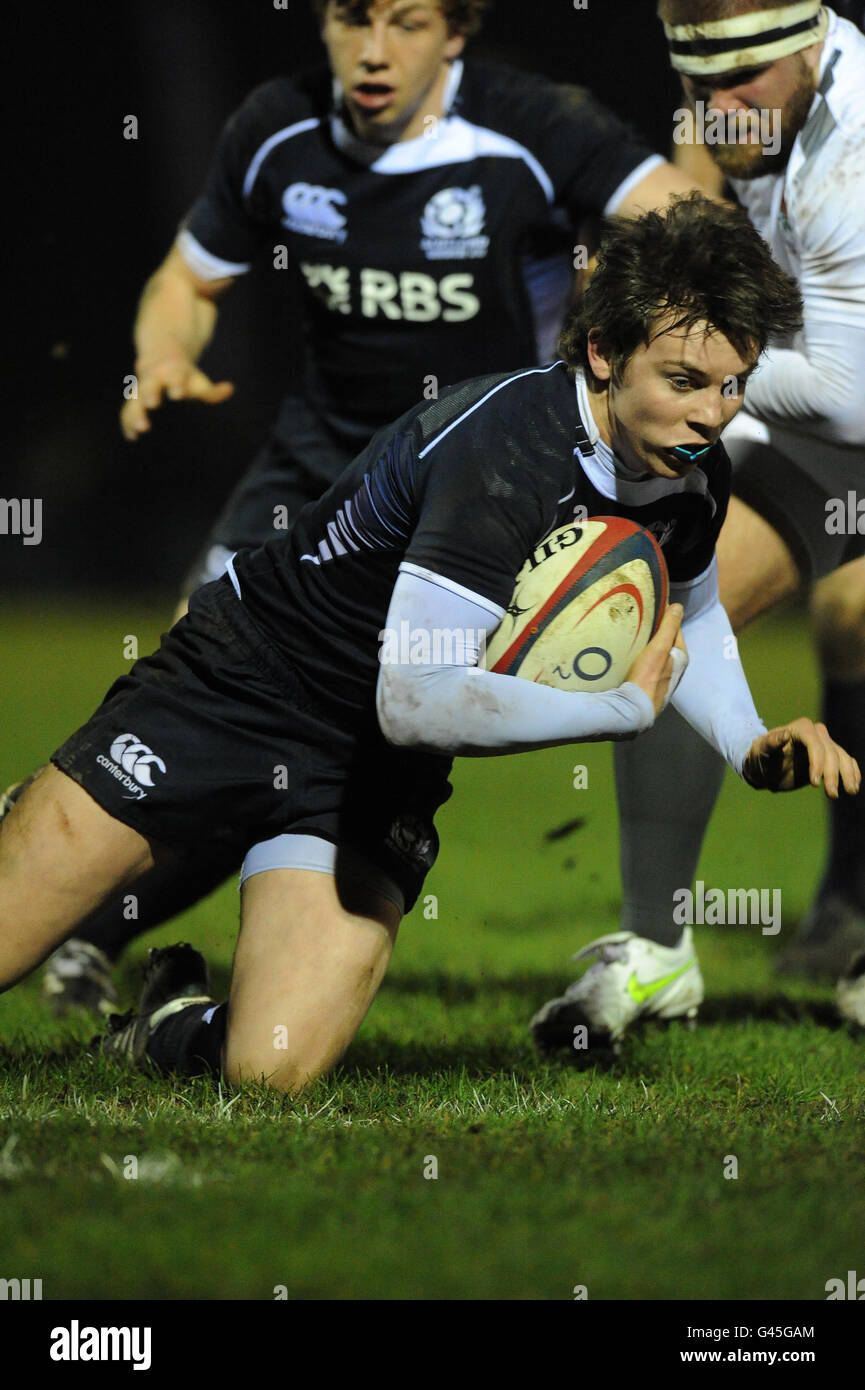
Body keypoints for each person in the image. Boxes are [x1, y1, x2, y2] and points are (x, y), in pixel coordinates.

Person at [0, 198, 854, 1091]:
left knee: (270, 1070)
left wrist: (750, 741)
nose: (713, 414)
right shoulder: (506, 453)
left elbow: (693, 613)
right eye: (683, 381)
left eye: (732, 385)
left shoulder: (692, 475)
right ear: (603, 353)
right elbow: (416, 699)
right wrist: (617, 711)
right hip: (241, 683)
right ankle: (52, 815)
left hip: (373, 766)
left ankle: (168, 1025)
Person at [31, 0, 703, 1016]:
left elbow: (685, 229)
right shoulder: (277, 128)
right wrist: (163, 352)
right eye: (352, 18)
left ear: (457, 33)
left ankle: (179, 950)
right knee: (191, 692)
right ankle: (87, 915)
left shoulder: (534, 126)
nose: (374, 50)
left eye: (407, 22)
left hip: (467, 496)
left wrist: (643, 266)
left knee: (349, 741)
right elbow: (186, 280)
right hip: (309, 477)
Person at [532, 0, 865, 1054]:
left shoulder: (852, 150)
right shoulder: (737, 95)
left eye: (740, 82)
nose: (719, 112)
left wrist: (668, 363)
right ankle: (656, 945)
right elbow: (693, 199)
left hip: (846, 395)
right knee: (661, 601)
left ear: (809, 46)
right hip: (826, 401)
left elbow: (850, 397)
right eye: (696, 84)